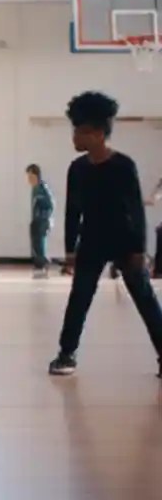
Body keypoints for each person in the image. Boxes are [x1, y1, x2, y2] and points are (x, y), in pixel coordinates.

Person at [48, 92, 162, 378]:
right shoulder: (77, 169)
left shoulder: (123, 166)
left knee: (144, 298)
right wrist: (70, 251)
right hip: (92, 241)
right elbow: (72, 211)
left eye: (81, 132)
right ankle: (66, 354)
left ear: (98, 134)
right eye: (74, 130)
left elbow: (136, 210)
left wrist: (139, 250)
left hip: (124, 241)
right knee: (80, 298)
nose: (75, 137)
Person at [26, 163, 56, 279]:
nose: (28, 179)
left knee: (40, 245)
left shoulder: (42, 188)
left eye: (30, 176)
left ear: (35, 175)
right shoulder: (35, 189)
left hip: (42, 221)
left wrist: (43, 217)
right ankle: (39, 266)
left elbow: (50, 205)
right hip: (36, 221)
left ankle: (42, 266)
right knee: (36, 245)